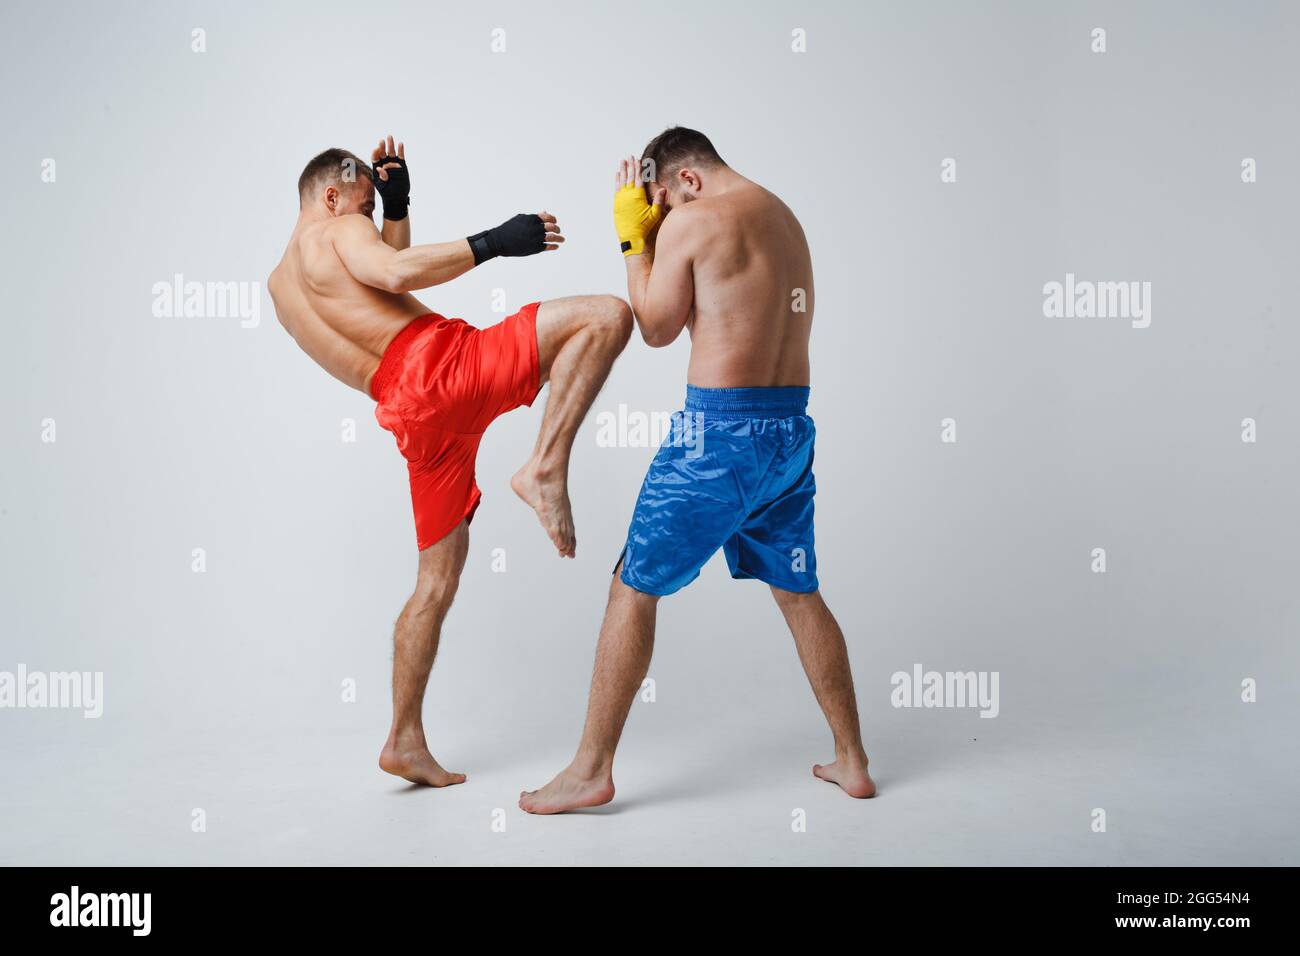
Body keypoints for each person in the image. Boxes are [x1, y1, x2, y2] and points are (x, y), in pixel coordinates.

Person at [521, 127, 875, 813]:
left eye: (659, 199)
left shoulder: (694, 218)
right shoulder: (784, 216)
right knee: (798, 590)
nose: (659, 214)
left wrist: (633, 240)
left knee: (633, 585)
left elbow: (653, 326)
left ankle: (591, 770)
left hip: (716, 437)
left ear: (685, 180)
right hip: (789, 433)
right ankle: (854, 759)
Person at [269, 136, 632, 787]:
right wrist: (495, 240)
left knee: (435, 582)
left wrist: (399, 205)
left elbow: (379, 274)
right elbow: (395, 276)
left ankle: (404, 740)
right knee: (607, 316)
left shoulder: (282, 284)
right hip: (436, 366)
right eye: (364, 200)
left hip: (407, 411)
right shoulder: (340, 227)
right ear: (331, 195)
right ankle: (544, 465)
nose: (369, 214)